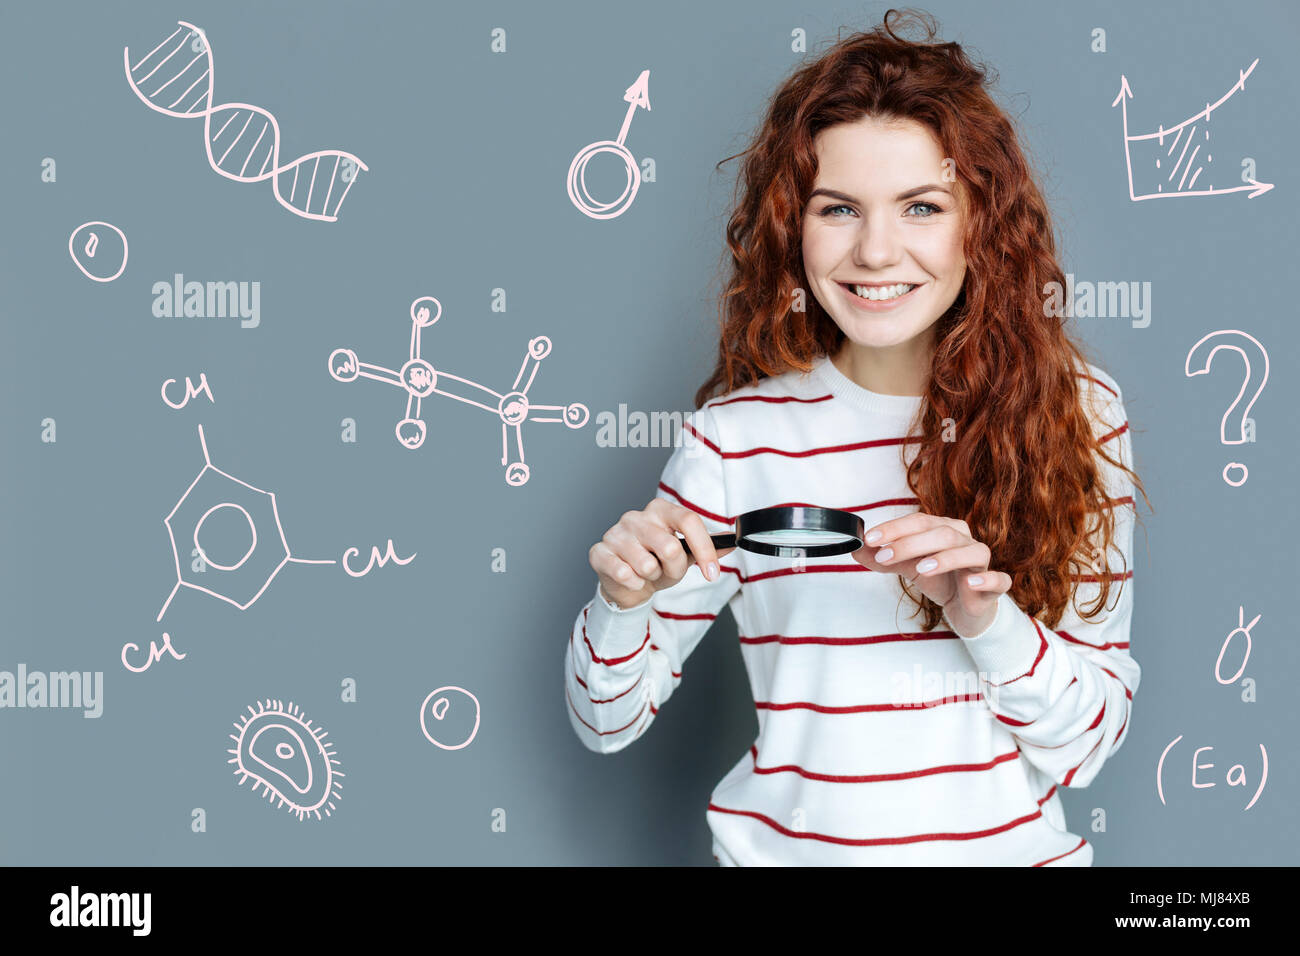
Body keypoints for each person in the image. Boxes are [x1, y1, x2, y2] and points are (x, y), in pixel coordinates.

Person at [565, 8, 1151, 866]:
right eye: (838, 208)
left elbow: (1091, 742)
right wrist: (620, 605)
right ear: (792, 228)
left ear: (978, 224)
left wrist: (986, 622)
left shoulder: (1081, 414)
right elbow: (604, 724)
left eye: (920, 207)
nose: (876, 252)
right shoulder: (736, 439)